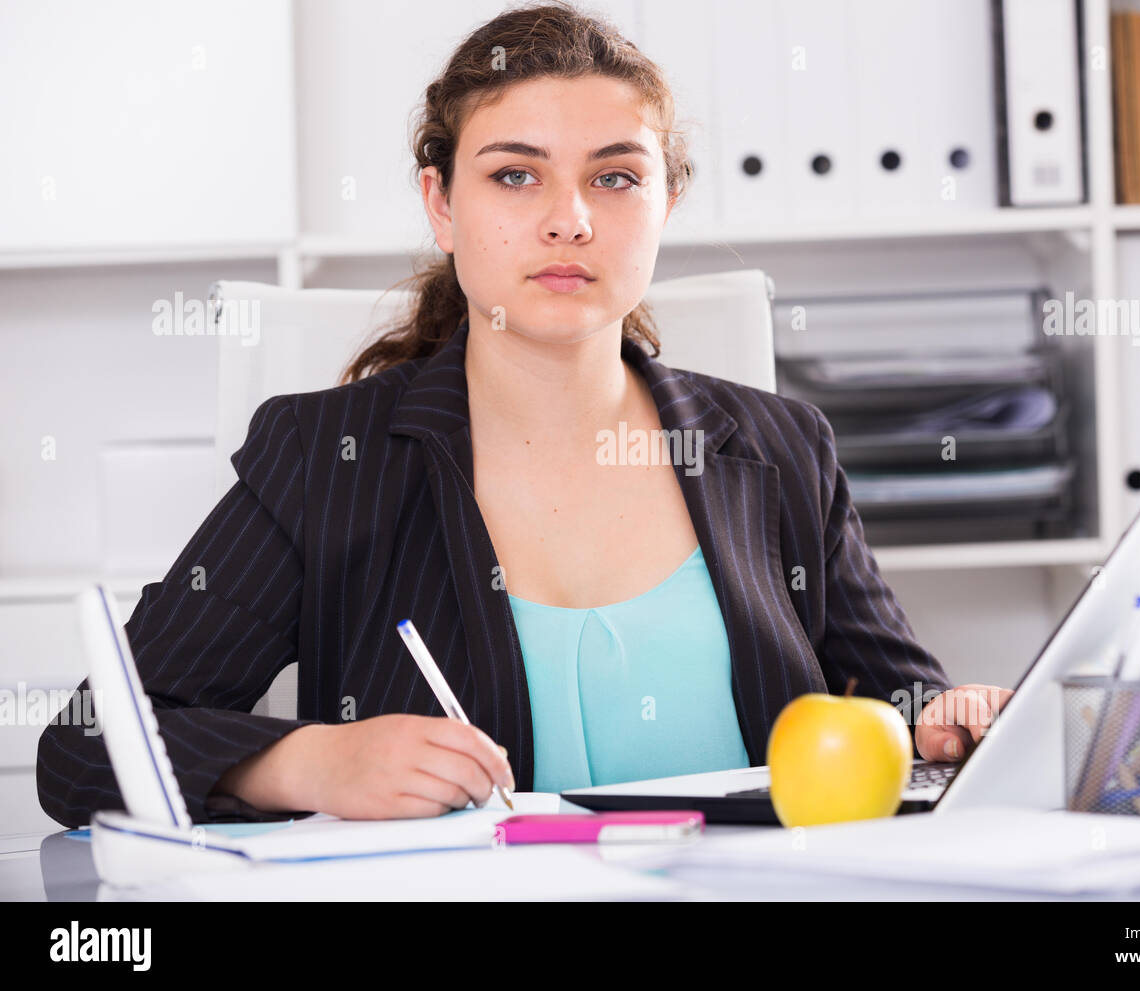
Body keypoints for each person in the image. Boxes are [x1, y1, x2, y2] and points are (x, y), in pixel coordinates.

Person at [37, 1, 1011, 828]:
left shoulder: (781, 449)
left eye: (615, 176)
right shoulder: (324, 458)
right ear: (442, 203)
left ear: (667, 201)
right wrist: (304, 762)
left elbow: (905, 704)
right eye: (515, 174)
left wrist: (950, 716)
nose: (569, 219)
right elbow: (85, 747)